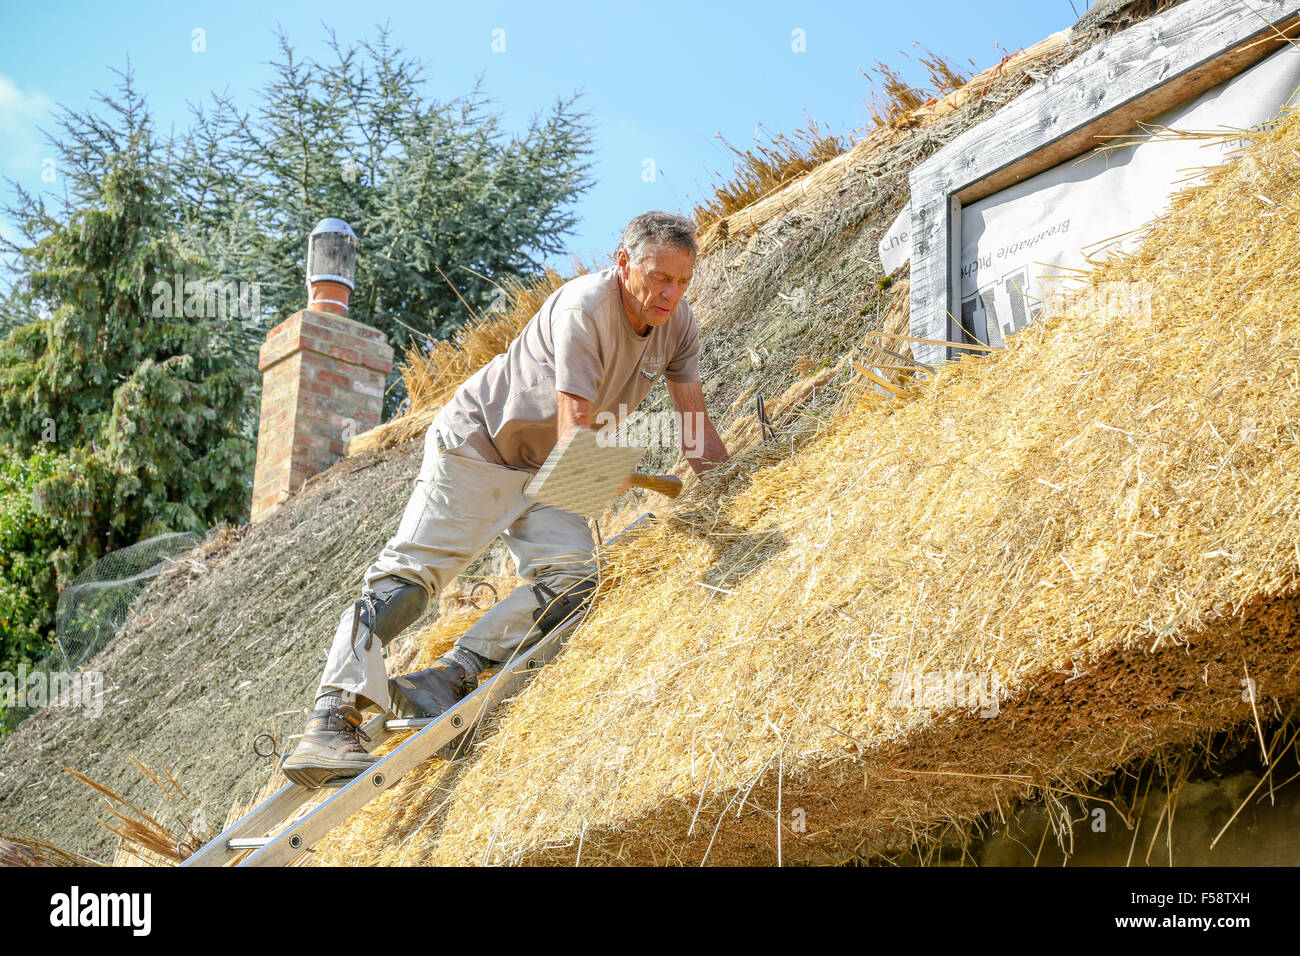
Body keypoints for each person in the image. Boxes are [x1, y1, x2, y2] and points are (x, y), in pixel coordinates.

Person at [282, 211, 729, 787]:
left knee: (572, 584)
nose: (671, 294)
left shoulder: (680, 325)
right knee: (408, 582)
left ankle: (448, 675)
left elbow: (693, 423)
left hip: (550, 465)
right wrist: (604, 464)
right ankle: (328, 718)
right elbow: (577, 431)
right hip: (480, 444)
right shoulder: (584, 308)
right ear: (623, 265)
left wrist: (730, 490)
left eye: (682, 282)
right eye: (658, 277)